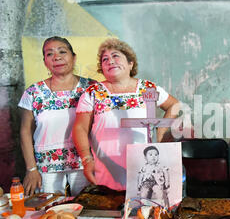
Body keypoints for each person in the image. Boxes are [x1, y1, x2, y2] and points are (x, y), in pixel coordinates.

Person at [72, 38, 180, 191]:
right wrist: (86, 159)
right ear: (101, 68)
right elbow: (80, 128)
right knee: (111, 208)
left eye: (115, 56)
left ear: (130, 63)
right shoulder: (93, 93)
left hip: (143, 165)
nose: (110, 61)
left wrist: (161, 133)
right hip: (107, 166)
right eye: (105, 59)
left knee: (144, 208)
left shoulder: (147, 88)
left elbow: (174, 105)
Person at [18, 36, 95, 196]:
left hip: (85, 163)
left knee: (87, 208)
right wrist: (31, 169)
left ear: (73, 57)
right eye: (49, 54)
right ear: (45, 61)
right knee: (48, 213)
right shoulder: (33, 92)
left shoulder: (91, 88)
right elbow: (25, 131)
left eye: (62, 51)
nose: (57, 57)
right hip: (46, 169)